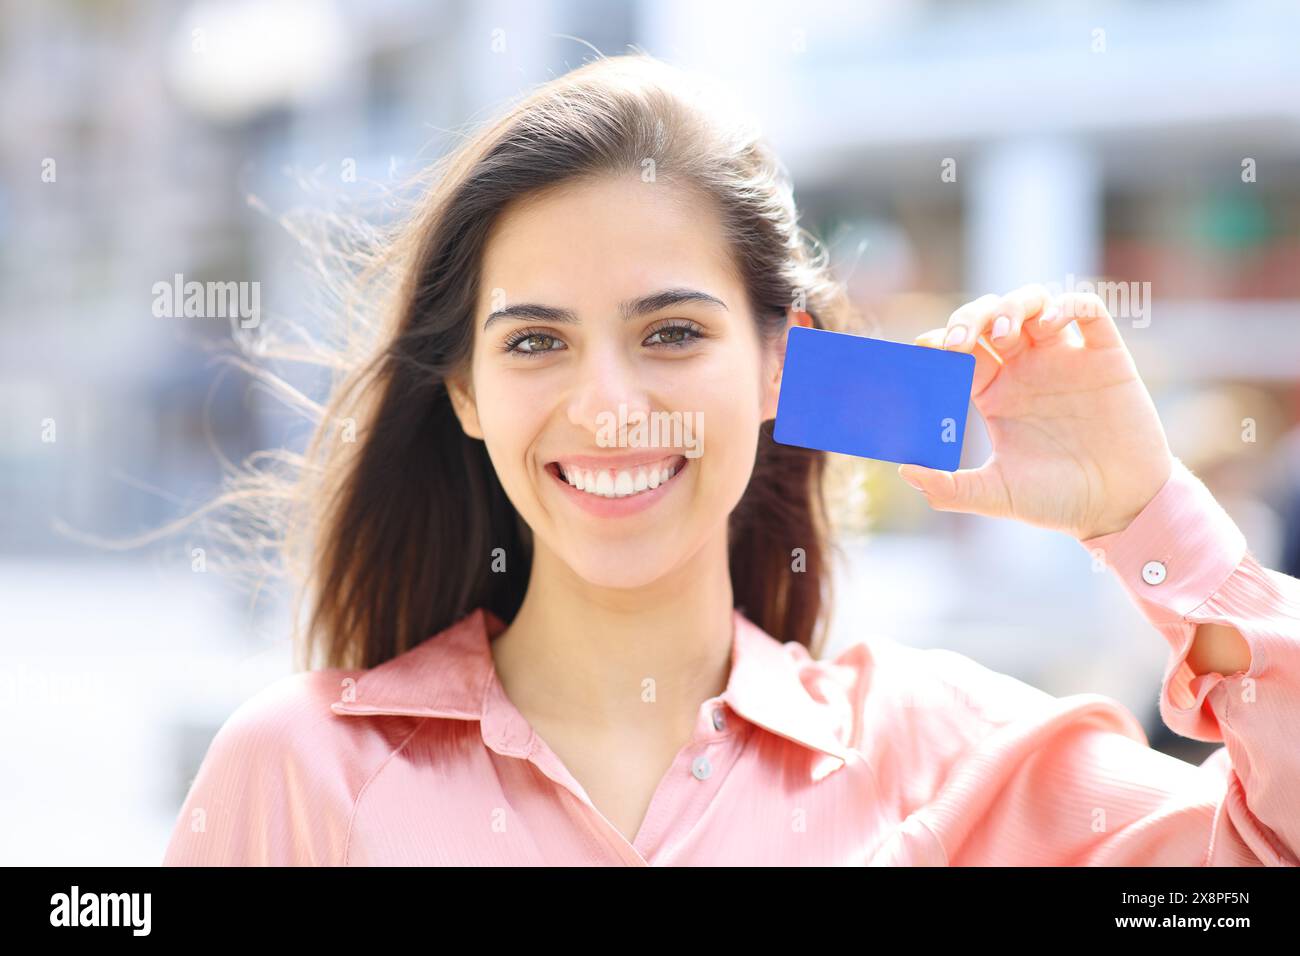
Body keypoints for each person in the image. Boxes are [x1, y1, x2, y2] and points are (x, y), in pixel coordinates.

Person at [162, 54, 1299, 866]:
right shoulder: (302, 771)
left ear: (779, 369)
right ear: (464, 390)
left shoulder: (949, 759)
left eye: (671, 332)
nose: (607, 406)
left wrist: (1145, 516)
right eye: (535, 341)